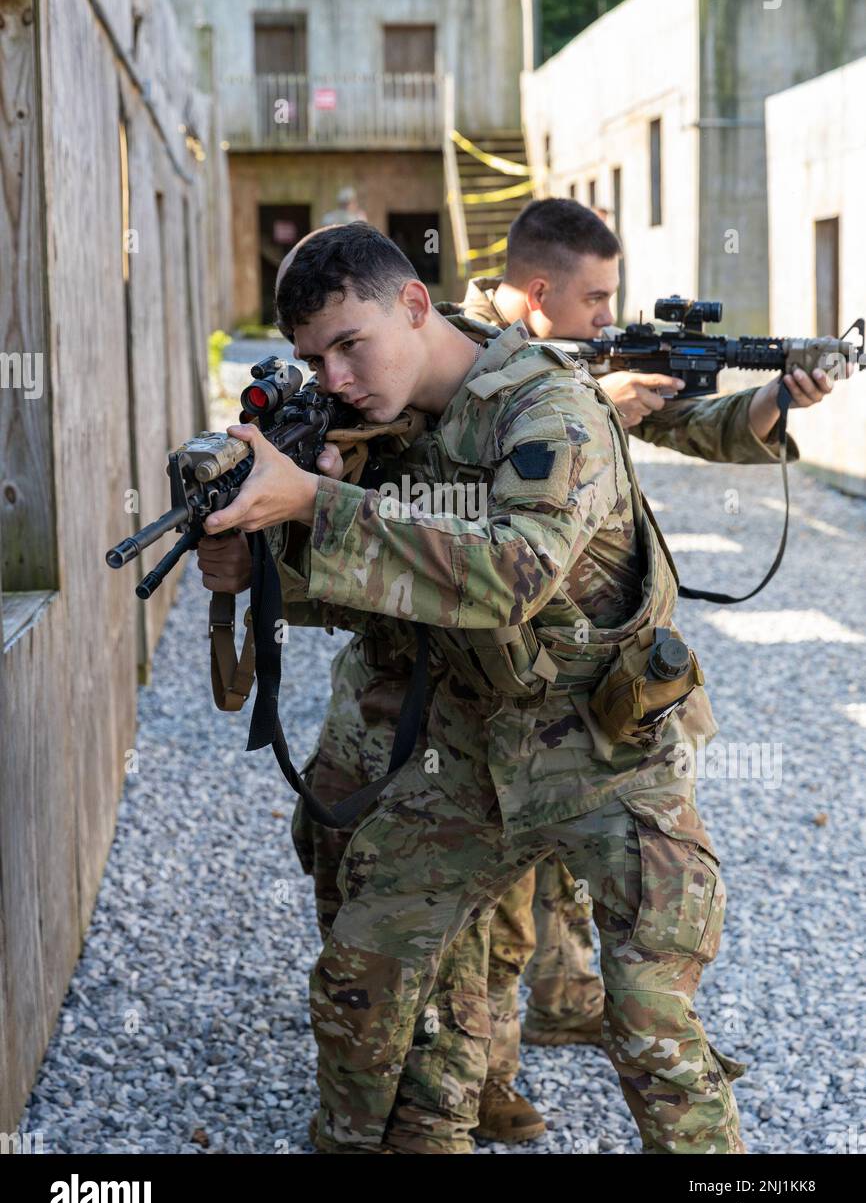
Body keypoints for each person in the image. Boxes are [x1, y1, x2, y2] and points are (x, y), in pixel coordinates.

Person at [196, 220, 830, 1154]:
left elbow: (513, 577)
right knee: (361, 980)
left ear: (415, 306)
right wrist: (261, 564)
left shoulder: (550, 410)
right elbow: (385, 603)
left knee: (650, 1021)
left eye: (348, 345)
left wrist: (320, 507)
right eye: (310, 357)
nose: (332, 377)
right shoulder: (382, 420)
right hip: (466, 747)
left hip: (603, 751)